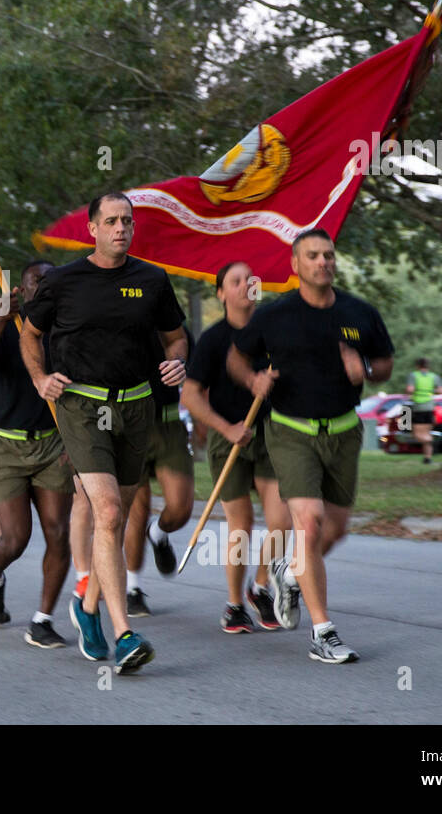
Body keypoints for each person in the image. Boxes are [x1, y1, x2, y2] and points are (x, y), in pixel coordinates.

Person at [21, 192, 188, 674]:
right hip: (82, 405)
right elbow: (29, 334)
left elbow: (175, 336)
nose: (121, 228)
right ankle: (125, 634)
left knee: (117, 518)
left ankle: (87, 608)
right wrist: (39, 378)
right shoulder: (64, 282)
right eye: (111, 221)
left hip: (137, 406)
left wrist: (177, 361)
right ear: (92, 228)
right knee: (109, 511)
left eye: (127, 221)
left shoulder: (152, 280)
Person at [228, 228, 394, 663]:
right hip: (290, 429)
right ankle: (324, 632)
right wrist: (253, 379)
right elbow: (236, 357)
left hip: (343, 429)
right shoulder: (275, 315)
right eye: (313, 256)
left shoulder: (360, 312)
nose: (323, 262)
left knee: (335, 529)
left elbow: (385, 362)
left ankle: (288, 569)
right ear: (295, 265)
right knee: (310, 522)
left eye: (328, 255)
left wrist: (367, 371)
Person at [0, 261, 74, 647]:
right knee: (15, 539)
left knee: (59, 534)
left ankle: (42, 620)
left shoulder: (68, 329)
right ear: (22, 289)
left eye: (50, 282)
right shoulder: (3, 323)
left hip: (51, 442)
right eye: (35, 282)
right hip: (2, 443)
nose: (44, 287)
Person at [183, 261, 290, 633]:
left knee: (282, 520)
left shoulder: (277, 334)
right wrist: (225, 428)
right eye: (236, 280)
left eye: (251, 278)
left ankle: (260, 586)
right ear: (221, 293)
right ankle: (233, 604)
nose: (247, 284)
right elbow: (191, 395)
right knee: (240, 524)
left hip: (272, 436)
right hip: (228, 439)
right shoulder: (214, 339)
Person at [406, 358, 442, 464]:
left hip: (419, 407)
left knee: (417, 434)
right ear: (428, 366)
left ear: (417, 366)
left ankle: (432, 441)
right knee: (426, 433)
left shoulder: (414, 375)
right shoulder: (434, 376)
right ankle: (427, 458)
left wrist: (417, 390)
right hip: (430, 407)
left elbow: (410, 389)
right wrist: (431, 391)